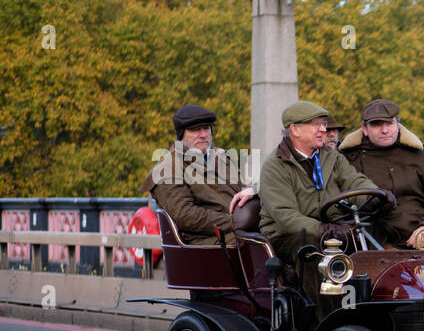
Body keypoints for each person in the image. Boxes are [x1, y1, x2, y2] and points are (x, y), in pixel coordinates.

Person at [258, 101, 385, 265]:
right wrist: (322, 230)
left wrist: (375, 196)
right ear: (295, 130)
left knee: (369, 239)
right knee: (315, 250)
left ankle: (370, 289)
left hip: (333, 227)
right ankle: (323, 291)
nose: (324, 130)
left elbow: (354, 181)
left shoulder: (331, 156)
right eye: (316, 125)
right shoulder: (275, 166)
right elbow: (286, 217)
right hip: (289, 236)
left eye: (323, 124)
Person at [339, 99, 424, 250]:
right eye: (377, 125)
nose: (384, 130)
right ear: (364, 128)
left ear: (397, 124)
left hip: (422, 236)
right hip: (373, 240)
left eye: (389, 123)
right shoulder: (347, 158)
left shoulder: (421, 154)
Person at [143, 104, 256, 245]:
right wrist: (237, 222)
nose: (203, 135)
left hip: (236, 231)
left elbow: (245, 191)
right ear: (181, 134)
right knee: (258, 242)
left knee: (282, 234)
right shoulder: (168, 168)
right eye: (195, 130)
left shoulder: (223, 160)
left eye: (206, 128)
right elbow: (186, 216)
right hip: (201, 242)